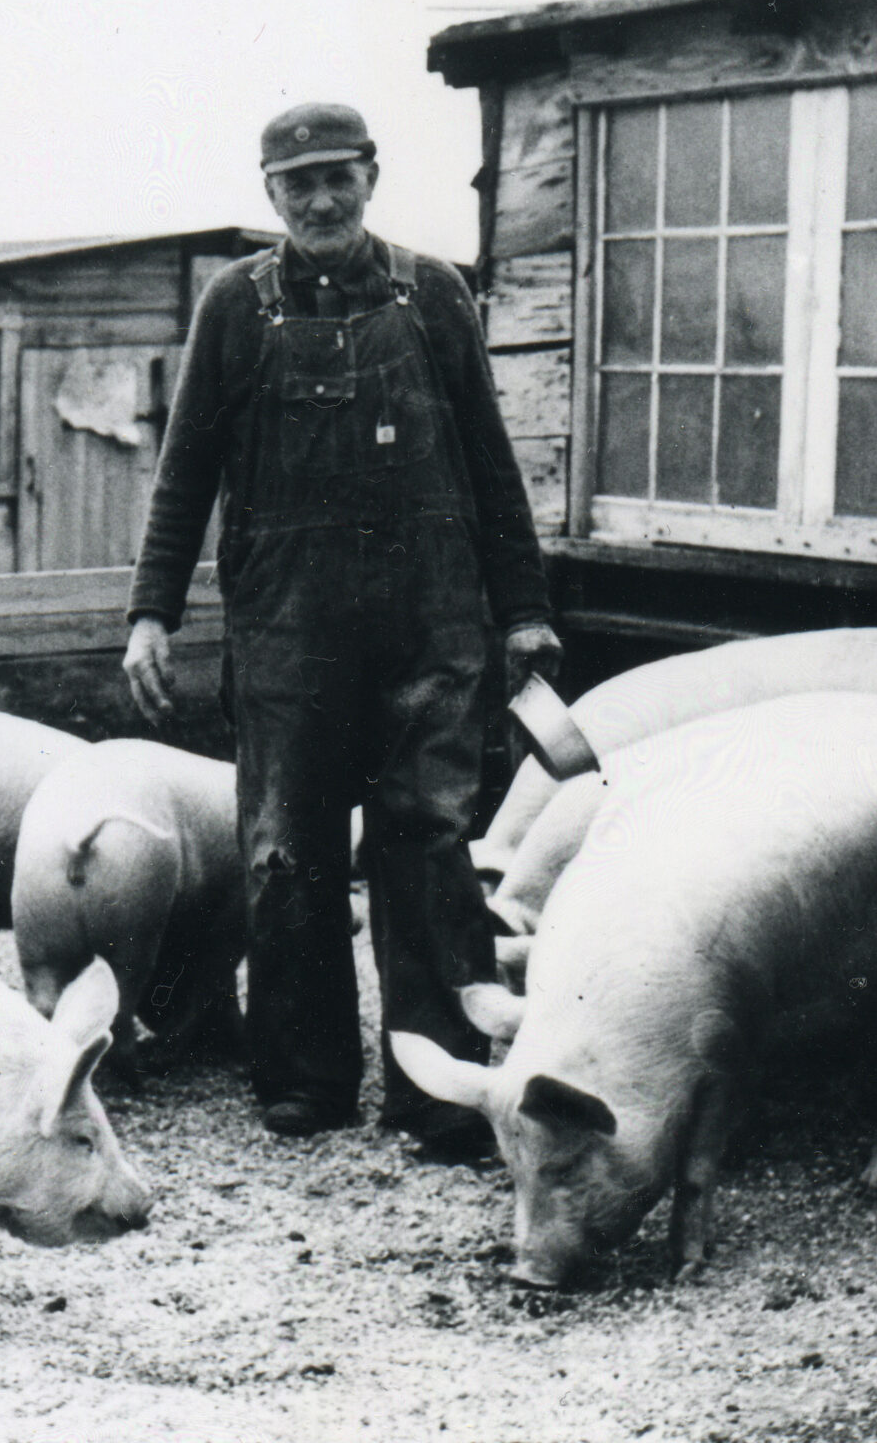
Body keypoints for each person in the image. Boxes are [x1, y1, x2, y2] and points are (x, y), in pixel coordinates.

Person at [122, 102, 563, 1160]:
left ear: (371, 174)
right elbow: (184, 471)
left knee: (429, 845)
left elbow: (491, 463)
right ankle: (304, 1078)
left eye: (338, 177)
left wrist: (525, 611)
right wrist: (150, 612)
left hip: (430, 631)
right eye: (298, 183)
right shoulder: (235, 306)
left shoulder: (434, 293)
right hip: (287, 634)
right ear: (270, 192)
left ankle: (438, 1086)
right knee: (287, 851)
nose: (321, 200)